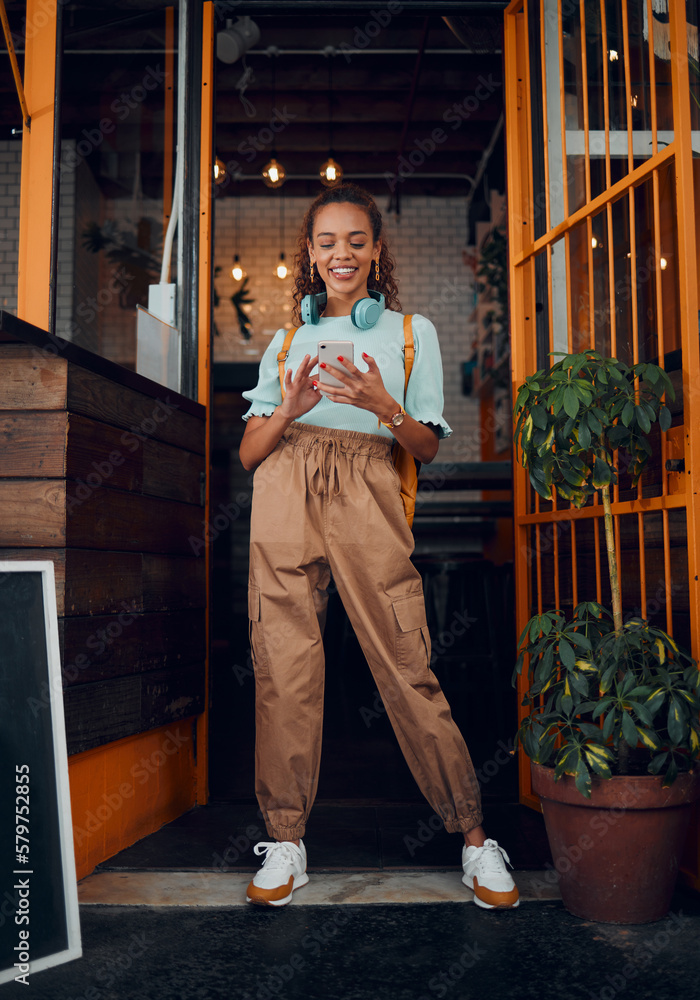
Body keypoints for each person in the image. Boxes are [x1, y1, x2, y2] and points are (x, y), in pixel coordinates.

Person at [238, 183, 519, 911]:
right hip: (285, 487)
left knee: (405, 663)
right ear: (310, 253)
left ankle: (475, 841)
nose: (342, 254)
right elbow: (247, 453)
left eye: (355, 241)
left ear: (375, 251)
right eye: (327, 242)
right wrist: (293, 408)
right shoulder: (286, 340)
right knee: (284, 669)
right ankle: (287, 841)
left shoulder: (407, 333)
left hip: (367, 488)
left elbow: (423, 446)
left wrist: (380, 405)